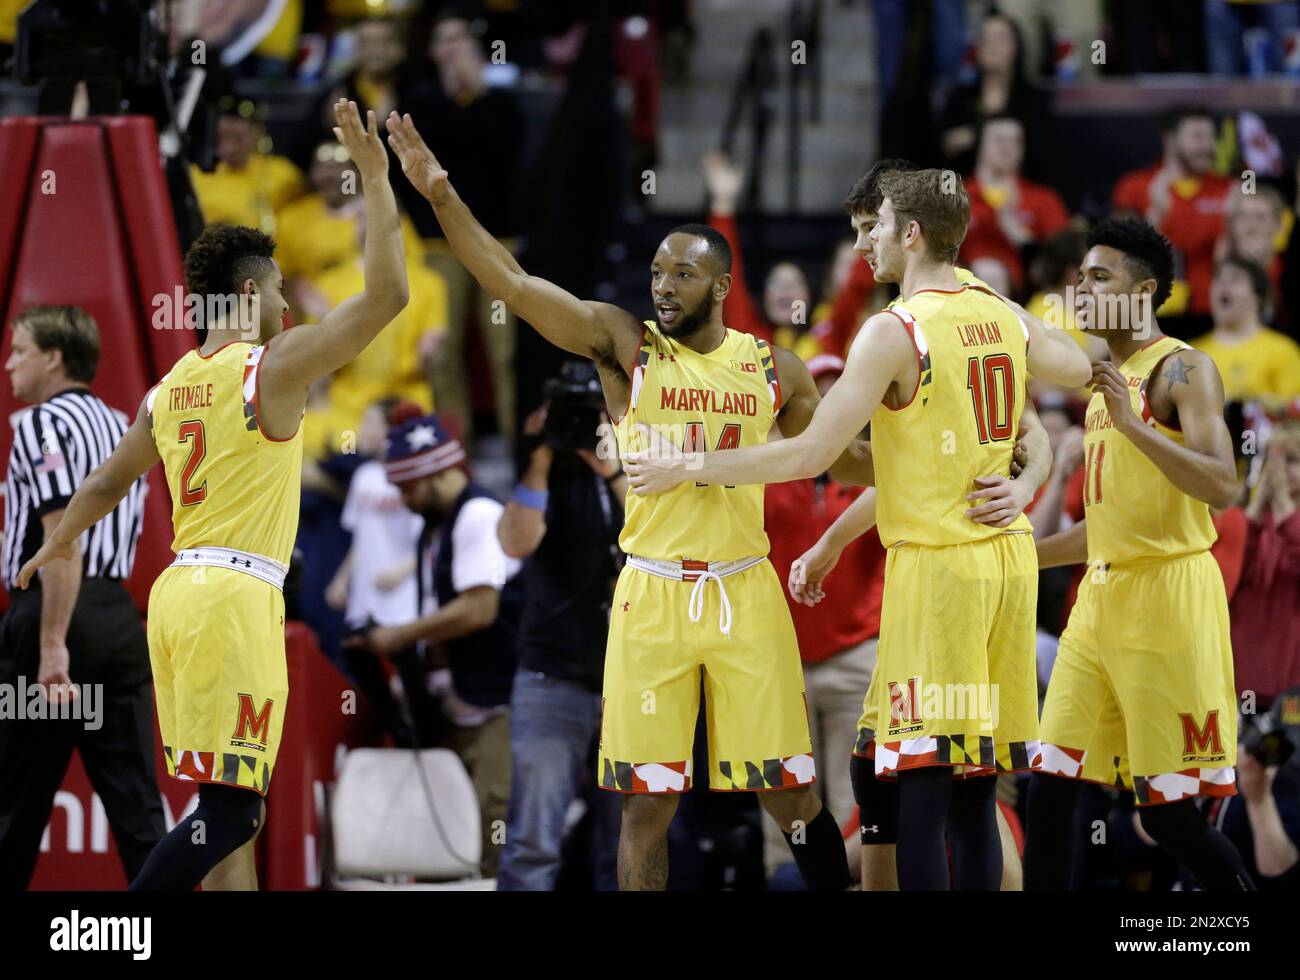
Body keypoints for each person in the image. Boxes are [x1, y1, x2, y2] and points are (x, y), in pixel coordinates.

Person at [384, 110, 874, 893]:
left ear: (720, 281)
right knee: (646, 806)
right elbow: (511, 283)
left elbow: (846, 462)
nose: (662, 286)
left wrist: (935, 448)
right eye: (654, 272)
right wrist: (442, 196)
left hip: (744, 589)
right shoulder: (626, 346)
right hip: (647, 592)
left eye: (681, 273)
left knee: (791, 794)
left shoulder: (773, 368)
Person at [626, 167, 1093, 891]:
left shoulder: (894, 330)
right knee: (967, 787)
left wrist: (690, 464)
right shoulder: (994, 308)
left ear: (909, 233)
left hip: (940, 576)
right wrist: (1028, 478)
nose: (863, 244)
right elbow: (1074, 371)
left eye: (872, 229)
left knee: (923, 786)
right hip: (1002, 569)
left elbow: (814, 455)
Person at [17, 101, 410, 891]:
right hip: (234, 598)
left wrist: (56, 544)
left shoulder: (168, 390)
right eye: (274, 294)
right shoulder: (274, 367)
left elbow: (103, 484)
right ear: (245, 294)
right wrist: (375, 178)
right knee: (232, 813)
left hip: (177, 596)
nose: (288, 309)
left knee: (223, 805)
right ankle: (116, 930)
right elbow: (388, 298)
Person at [1024, 217, 1255, 892]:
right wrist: (1018, 555)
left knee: (1173, 815)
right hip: (1100, 597)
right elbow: (1107, 525)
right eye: (1081, 275)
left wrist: (1133, 425)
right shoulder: (1109, 382)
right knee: (1050, 787)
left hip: (1169, 599)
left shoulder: (1183, 367)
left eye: (1101, 276)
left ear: (1144, 289)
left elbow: (1223, 482)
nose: (1083, 287)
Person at [0, 306, 163, 889]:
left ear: (54, 357)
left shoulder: (40, 424)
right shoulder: (124, 422)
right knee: (139, 811)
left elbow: (58, 536)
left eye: (19, 350)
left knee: (14, 805)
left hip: (54, 615)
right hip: (117, 622)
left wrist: (50, 645)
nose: (9, 363)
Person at [344, 406, 523, 879]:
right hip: (457, 704)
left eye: (407, 488)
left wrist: (400, 634)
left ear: (437, 473)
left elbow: (480, 608)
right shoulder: (435, 528)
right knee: (450, 840)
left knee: (490, 831)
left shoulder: (479, 514)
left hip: (495, 707)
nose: (402, 500)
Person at [495, 366, 626, 891]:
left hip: (626, 687)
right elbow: (515, 543)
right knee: (532, 843)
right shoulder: (539, 474)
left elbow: (660, 539)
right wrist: (541, 458)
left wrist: (613, 470)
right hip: (551, 679)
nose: (580, 427)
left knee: (626, 844)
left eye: (591, 414)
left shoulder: (631, 470)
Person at [402, 8, 523, 447]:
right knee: (443, 350)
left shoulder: (502, 101)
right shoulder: (421, 103)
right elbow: (430, 157)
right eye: (443, 40)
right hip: (439, 243)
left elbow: (505, 154)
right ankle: (456, 446)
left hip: (495, 243)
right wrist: (457, 98)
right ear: (432, 51)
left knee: (504, 351)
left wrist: (475, 93)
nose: (452, 49)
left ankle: (517, 446)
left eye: (460, 39)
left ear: (475, 47)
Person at [1112, 106, 1232, 316]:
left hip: (1213, 311)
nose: (1208, 146)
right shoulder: (1135, 187)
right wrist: (1155, 214)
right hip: (1153, 314)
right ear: (1170, 140)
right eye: (1198, 137)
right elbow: (1121, 257)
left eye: (1212, 137)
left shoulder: (1229, 189)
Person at [1230, 421, 1300, 705]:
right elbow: (1235, 571)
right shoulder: (1252, 518)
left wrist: (1282, 501)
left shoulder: (1288, 520)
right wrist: (1258, 506)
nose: (1280, 469)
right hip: (1245, 672)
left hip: (1291, 679)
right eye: (1273, 459)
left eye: (1291, 459)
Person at [960, 115, 1069, 296]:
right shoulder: (958, 196)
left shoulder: (1043, 198)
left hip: (1025, 294)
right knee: (987, 270)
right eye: (998, 140)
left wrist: (1022, 238)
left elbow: (1063, 260)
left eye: (1015, 141)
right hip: (960, 288)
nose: (1006, 148)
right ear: (979, 146)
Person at [1192, 255, 1300, 408]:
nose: (1223, 285)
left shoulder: (1283, 351)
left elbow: (1294, 415)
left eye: (1235, 279)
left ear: (1258, 298)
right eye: (1218, 279)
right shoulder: (1190, 353)